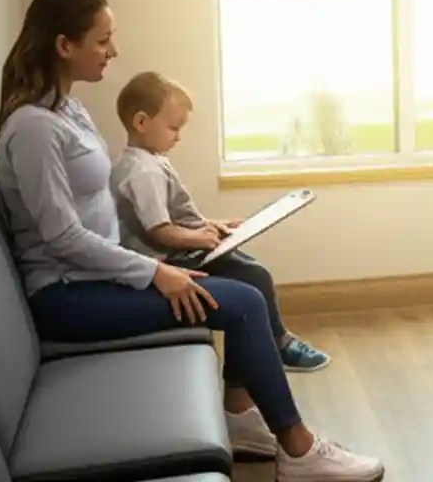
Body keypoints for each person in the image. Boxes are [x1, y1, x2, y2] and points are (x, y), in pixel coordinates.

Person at [0, 0, 384, 481]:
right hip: (67, 298)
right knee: (243, 305)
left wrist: (186, 238)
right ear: (64, 45)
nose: (114, 50)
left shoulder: (65, 110)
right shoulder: (34, 128)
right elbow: (62, 237)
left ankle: (245, 423)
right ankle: (300, 451)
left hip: (97, 277)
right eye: (102, 40)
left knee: (246, 287)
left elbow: (97, 207)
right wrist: (156, 270)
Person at [110, 70, 332, 373]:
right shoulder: (142, 172)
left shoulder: (147, 160)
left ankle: (269, 350)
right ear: (141, 122)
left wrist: (211, 226)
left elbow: (174, 217)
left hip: (180, 250)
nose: (179, 135)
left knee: (246, 265)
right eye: (173, 127)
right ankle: (279, 343)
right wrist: (200, 238)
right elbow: (159, 230)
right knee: (255, 276)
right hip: (169, 262)